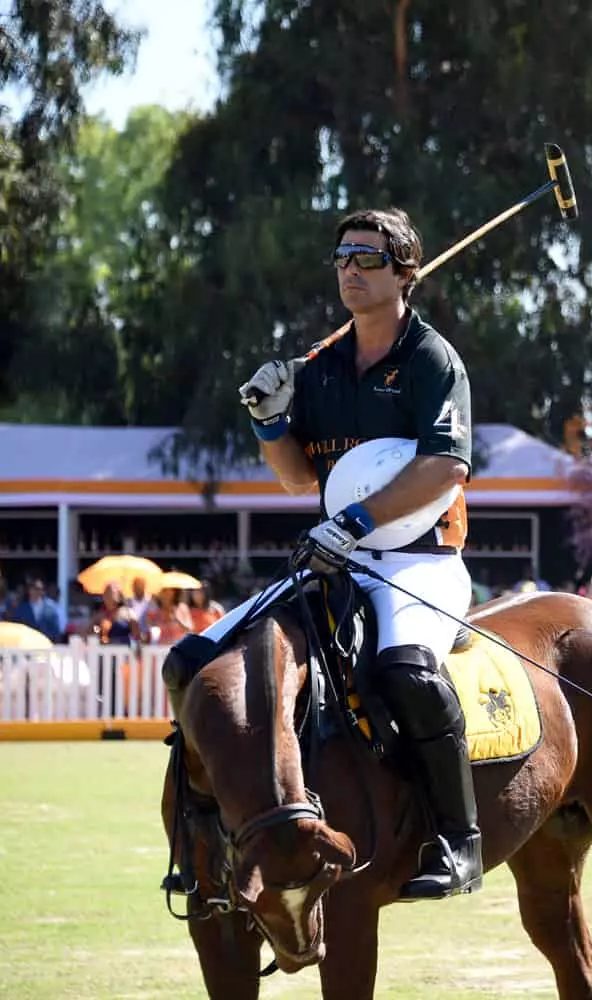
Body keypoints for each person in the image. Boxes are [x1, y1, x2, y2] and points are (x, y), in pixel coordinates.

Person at [160, 207, 479, 902]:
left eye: (366, 257)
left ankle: (459, 841)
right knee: (188, 664)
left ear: (405, 271)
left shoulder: (430, 358)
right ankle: (204, 839)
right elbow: (301, 478)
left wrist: (359, 519)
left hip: (417, 558)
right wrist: (270, 421)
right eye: (341, 257)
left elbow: (445, 468)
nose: (349, 270)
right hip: (334, 555)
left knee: (408, 672)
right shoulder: (322, 369)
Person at [8, 577, 66, 642]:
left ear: (43, 591)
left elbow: (56, 632)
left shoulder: (51, 609)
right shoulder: (21, 609)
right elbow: (16, 629)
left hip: (46, 645)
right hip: (26, 645)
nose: (36, 591)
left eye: (39, 589)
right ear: (29, 590)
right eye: (34, 589)